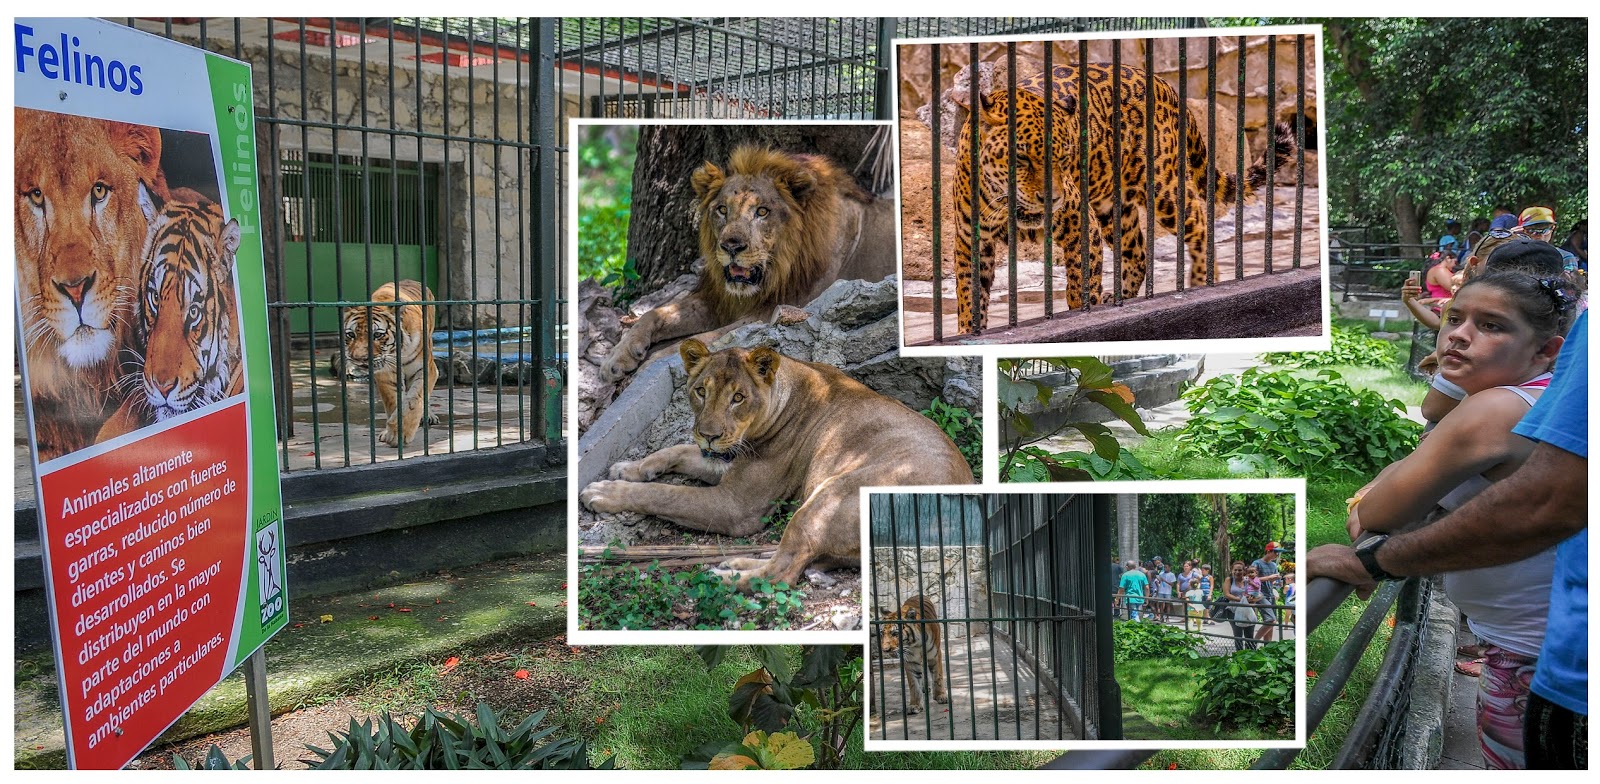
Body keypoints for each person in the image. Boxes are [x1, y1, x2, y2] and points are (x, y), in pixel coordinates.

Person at [1308, 308, 1585, 770]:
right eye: (1454, 318)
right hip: (1530, 641)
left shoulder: (1495, 408)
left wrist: (1370, 554)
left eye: (1492, 326)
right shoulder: (1534, 394)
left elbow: (1377, 514)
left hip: (1539, 654)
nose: (1458, 335)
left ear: (1546, 350)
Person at [1516, 206, 1581, 273]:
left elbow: (1572, 278)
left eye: (1545, 230)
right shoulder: (1514, 255)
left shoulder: (1564, 257)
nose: (1540, 236)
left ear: (1553, 228)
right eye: (1531, 230)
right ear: (1520, 231)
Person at [1220, 561, 1259, 651]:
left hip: (1249, 610)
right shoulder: (1229, 580)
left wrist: (1252, 598)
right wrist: (1241, 600)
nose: (1237, 572)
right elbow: (1227, 594)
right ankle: (1239, 656)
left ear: (1244, 571)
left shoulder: (1249, 580)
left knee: (1249, 635)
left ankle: (1250, 655)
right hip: (1233, 610)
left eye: (1240, 570)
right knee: (1238, 635)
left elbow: (1257, 591)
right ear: (1232, 570)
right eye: (1235, 570)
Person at [1251, 542, 1285, 642]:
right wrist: (1269, 578)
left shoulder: (1274, 565)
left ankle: (1268, 647)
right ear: (1268, 551)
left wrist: (1277, 583)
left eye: (1278, 553)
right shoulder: (1256, 563)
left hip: (1271, 595)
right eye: (1276, 552)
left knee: (1271, 624)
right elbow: (1251, 579)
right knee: (1271, 620)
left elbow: (1272, 582)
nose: (1277, 555)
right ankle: (1253, 642)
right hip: (1260, 594)